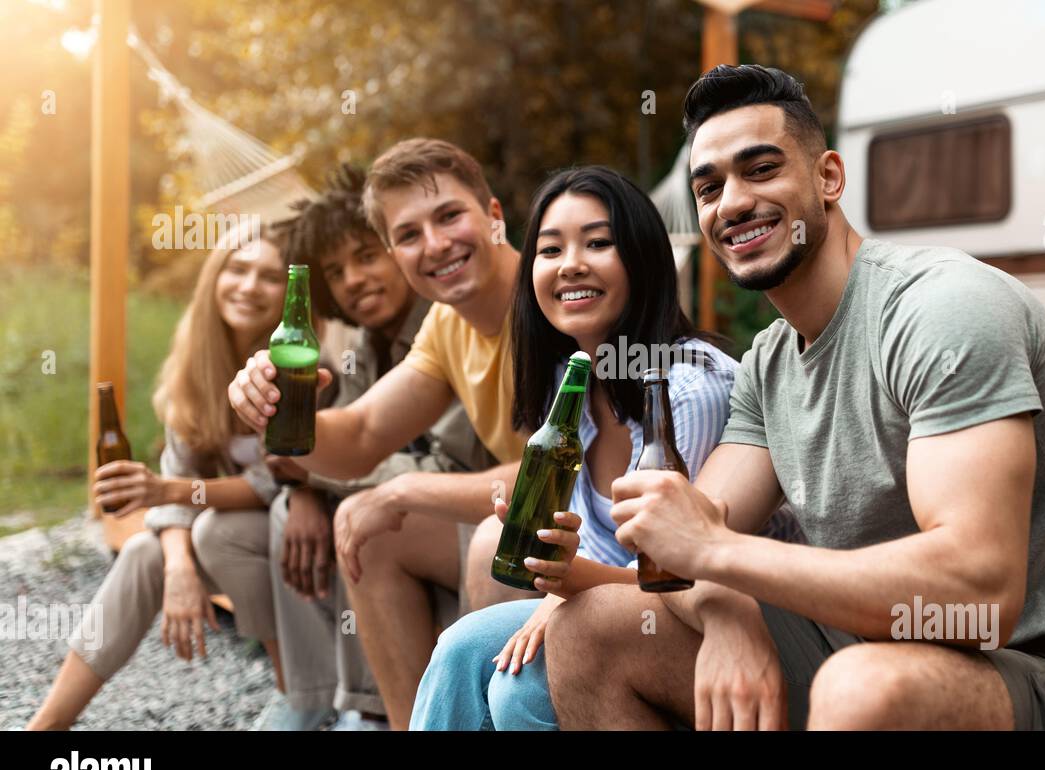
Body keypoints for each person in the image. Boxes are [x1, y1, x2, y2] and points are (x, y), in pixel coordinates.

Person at [542, 65, 1045, 731]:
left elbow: (980, 590)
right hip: (858, 645)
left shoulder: (941, 309)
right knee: (588, 630)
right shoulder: (768, 363)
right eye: (709, 188)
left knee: (861, 689)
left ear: (829, 177)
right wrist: (727, 610)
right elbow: (690, 534)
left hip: (1037, 675)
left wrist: (716, 553)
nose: (731, 202)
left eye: (761, 169)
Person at [408, 166, 757, 730]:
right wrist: (558, 583)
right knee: (460, 649)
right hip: (614, 604)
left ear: (642, 260)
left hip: (716, 620)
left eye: (598, 242)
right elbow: (592, 551)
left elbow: (680, 576)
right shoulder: (569, 380)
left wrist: (566, 587)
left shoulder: (690, 386)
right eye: (550, 249)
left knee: (517, 691)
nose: (571, 263)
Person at [227, 139, 527, 729]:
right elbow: (363, 433)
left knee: (474, 534)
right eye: (409, 235)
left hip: (597, 529)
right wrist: (281, 409)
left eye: (449, 216)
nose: (435, 245)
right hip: (524, 520)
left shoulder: (555, 293)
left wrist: (400, 492)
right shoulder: (447, 320)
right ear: (397, 250)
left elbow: (574, 471)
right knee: (366, 531)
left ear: (494, 217)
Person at [28, 227, 294, 730]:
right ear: (214, 277)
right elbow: (179, 474)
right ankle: (44, 728)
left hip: (289, 535)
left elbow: (271, 485)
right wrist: (177, 568)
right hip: (239, 544)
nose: (249, 286)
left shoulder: (301, 358)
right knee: (144, 552)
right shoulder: (198, 359)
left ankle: (295, 691)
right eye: (237, 269)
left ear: (290, 292)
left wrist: (166, 491)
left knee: (217, 530)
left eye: (269, 276)